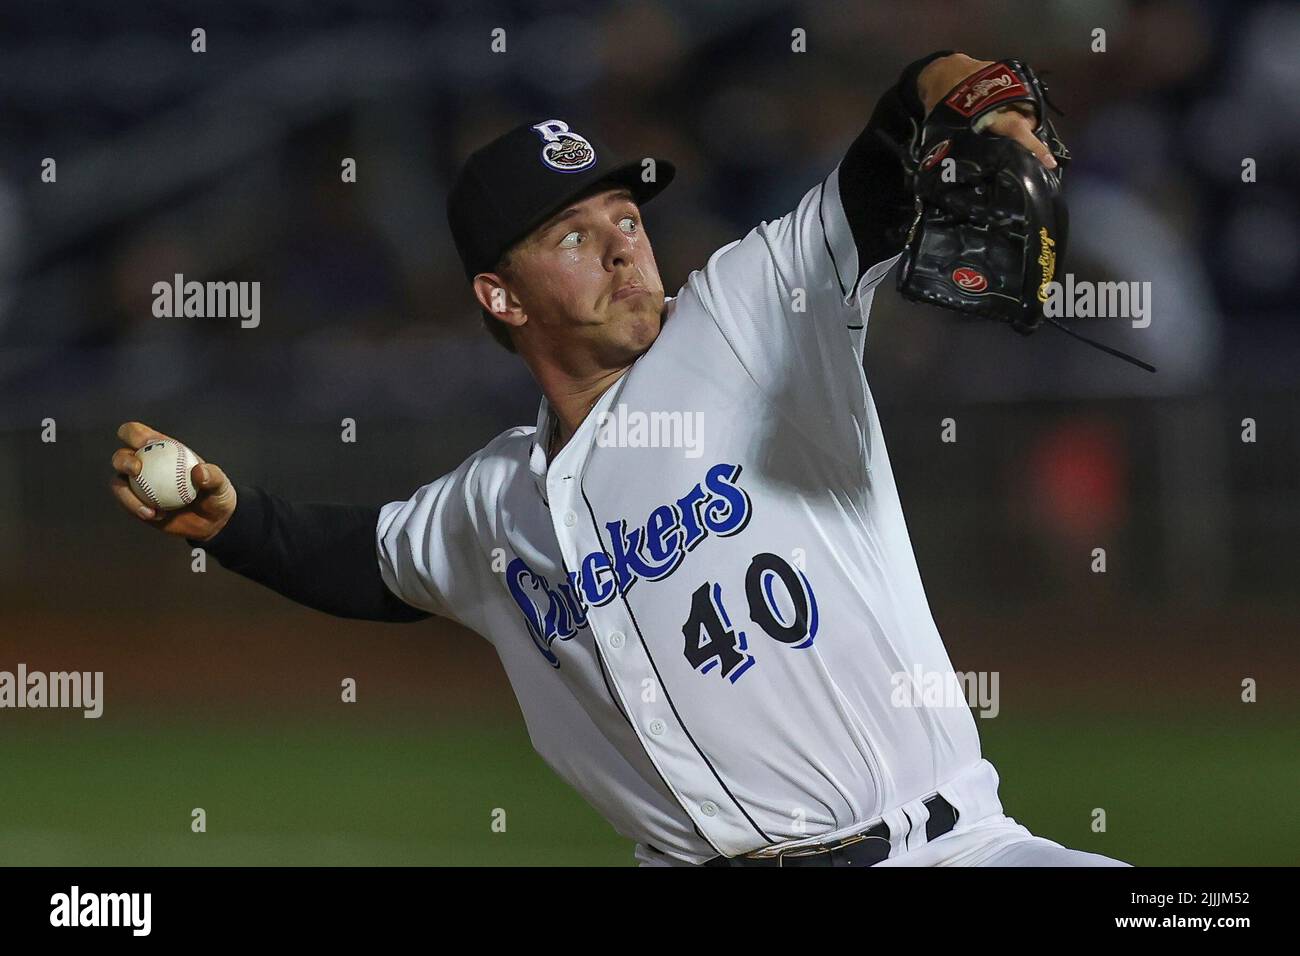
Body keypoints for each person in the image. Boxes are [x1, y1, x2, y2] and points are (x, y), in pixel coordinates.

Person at [111, 50, 1128, 867]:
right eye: (573, 234)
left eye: (626, 219)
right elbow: (366, 559)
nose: (622, 248)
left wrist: (980, 97)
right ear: (500, 298)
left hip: (943, 849)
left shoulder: (746, 317)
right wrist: (231, 522)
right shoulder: (491, 501)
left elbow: (892, 133)